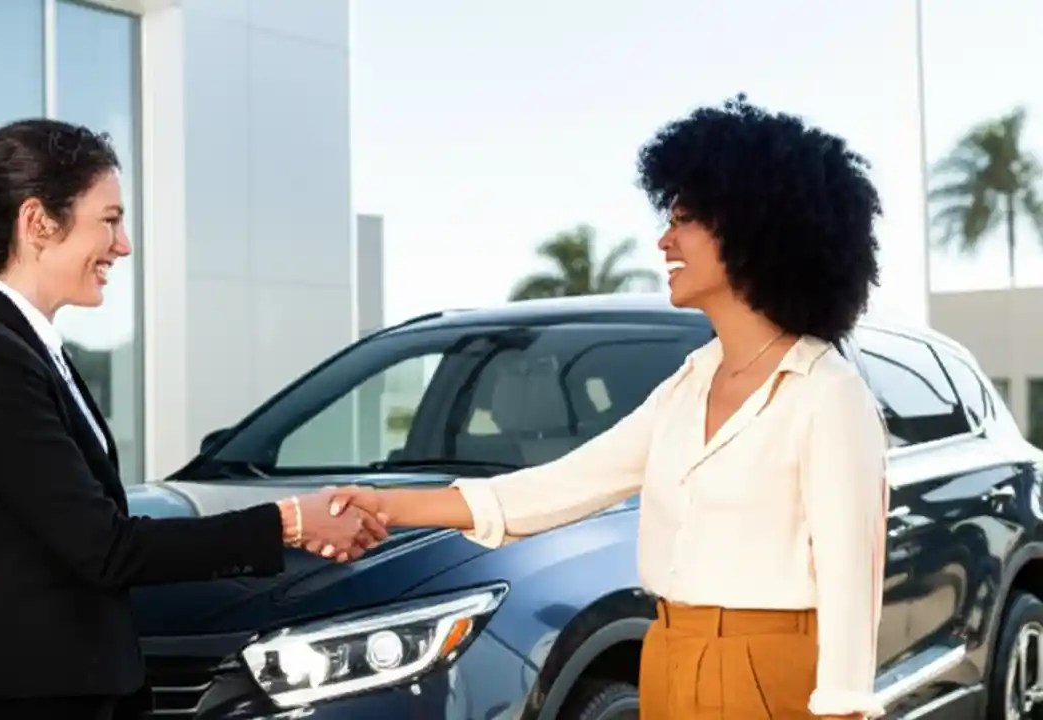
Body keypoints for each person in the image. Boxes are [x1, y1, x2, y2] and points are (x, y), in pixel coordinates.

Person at [326, 97, 888, 719]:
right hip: (669, 656)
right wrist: (387, 505)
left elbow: (850, 583)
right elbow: (557, 488)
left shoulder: (825, 392)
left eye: (685, 220)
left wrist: (843, 707)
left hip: (770, 672)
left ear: (755, 227)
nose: (664, 240)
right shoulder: (686, 388)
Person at [0, 119, 386, 720]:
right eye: (110, 220)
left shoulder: (25, 346)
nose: (123, 245)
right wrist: (290, 522)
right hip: (21, 700)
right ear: (38, 222)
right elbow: (106, 546)